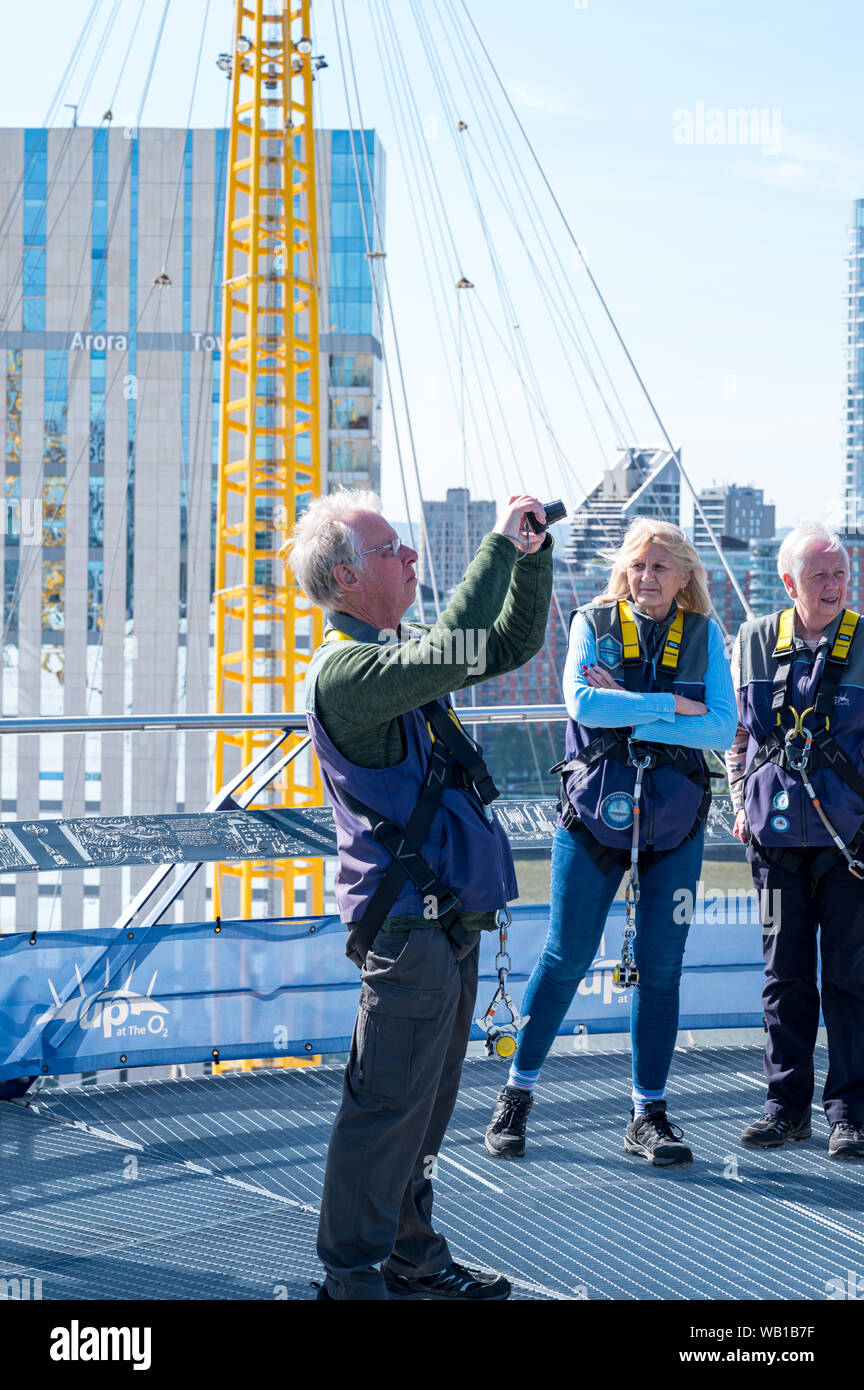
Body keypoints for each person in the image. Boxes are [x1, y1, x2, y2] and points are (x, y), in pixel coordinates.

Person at [286, 486, 554, 1300]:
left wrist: (531, 563)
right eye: (390, 550)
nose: (410, 560)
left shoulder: (390, 659)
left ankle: (410, 1255)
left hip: (440, 922)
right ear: (344, 580)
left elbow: (506, 641)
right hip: (409, 927)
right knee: (385, 1110)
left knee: (422, 1111)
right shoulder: (351, 673)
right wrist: (498, 546)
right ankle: (352, 1276)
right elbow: (456, 646)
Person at [484, 518, 737, 1167]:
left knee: (660, 968)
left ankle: (647, 1114)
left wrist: (634, 700)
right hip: (594, 816)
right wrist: (672, 707)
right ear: (622, 570)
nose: (647, 577)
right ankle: (516, 1095)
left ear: (684, 576)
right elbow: (584, 706)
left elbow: (721, 729)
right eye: (638, 566)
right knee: (566, 955)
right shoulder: (591, 622)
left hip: (674, 822)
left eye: (660, 567)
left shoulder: (705, 636)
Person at [726, 523, 864, 1159]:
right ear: (789, 584)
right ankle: (786, 1109)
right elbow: (735, 737)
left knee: (849, 976)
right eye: (821, 576)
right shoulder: (754, 642)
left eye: (841, 574)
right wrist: (739, 804)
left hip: (851, 844)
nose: (835, 586)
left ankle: (850, 1113)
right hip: (774, 840)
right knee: (784, 975)